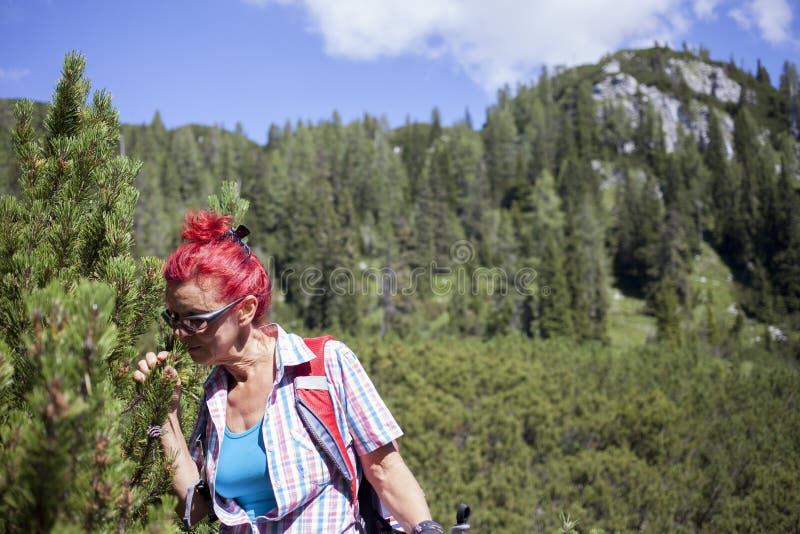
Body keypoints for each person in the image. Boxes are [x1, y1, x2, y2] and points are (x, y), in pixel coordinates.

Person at [133, 210, 443, 534]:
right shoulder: (213, 397)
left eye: (195, 320)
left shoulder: (325, 366)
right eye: (174, 318)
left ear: (245, 310)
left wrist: (426, 528)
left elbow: (385, 470)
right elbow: (193, 510)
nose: (181, 332)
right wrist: (166, 415)